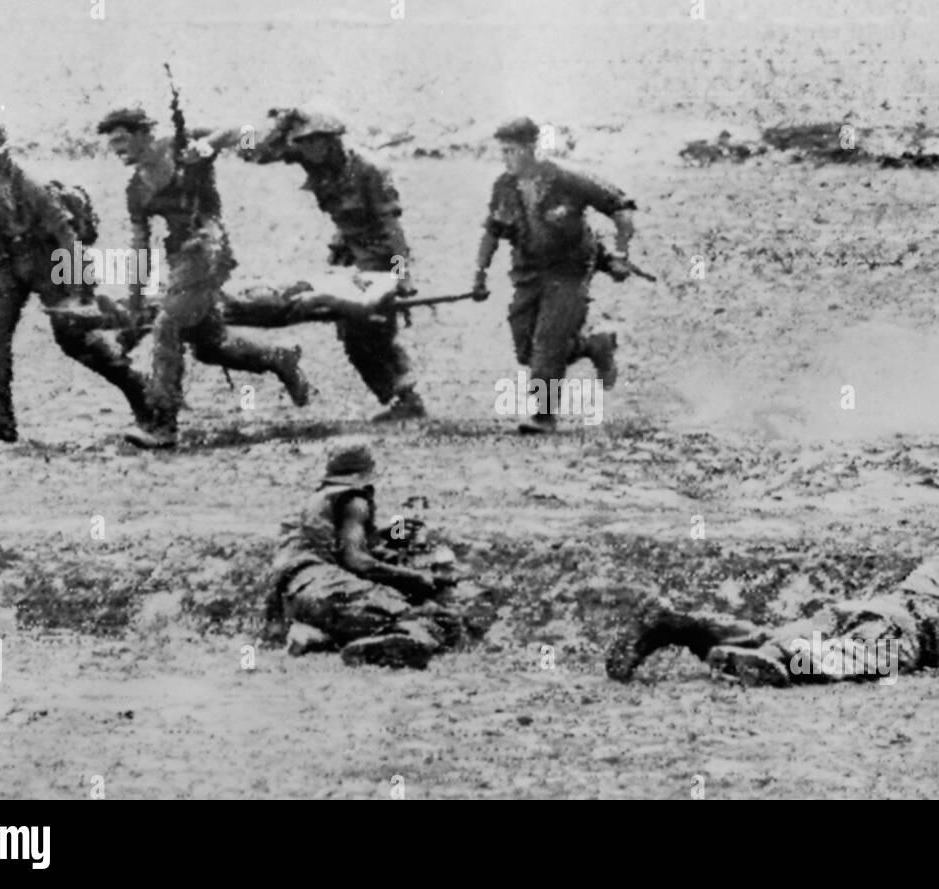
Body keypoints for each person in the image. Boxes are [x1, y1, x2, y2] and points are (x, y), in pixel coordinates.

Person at [606, 492, 939, 686]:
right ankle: (762, 662)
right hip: (906, 630)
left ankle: (680, 627)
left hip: (871, 609)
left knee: (777, 637)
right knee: (831, 666)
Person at [96, 106, 310, 449]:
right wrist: (135, 300)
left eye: (121, 139)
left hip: (209, 250)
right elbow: (139, 247)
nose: (116, 148)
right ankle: (279, 358)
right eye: (111, 143)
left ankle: (163, 423)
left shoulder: (179, 145)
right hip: (180, 256)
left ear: (143, 134)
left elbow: (244, 131)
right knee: (210, 346)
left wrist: (209, 145)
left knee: (167, 325)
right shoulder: (136, 189)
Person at [213, 107, 426, 422]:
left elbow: (392, 229)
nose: (310, 147)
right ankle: (400, 397)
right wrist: (273, 126)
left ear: (332, 140)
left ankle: (406, 397)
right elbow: (253, 152)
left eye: (317, 141)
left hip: (380, 253)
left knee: (367, 329)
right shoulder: (307, 157)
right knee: (353, 333)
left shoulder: (369, 170)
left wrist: (400, 275)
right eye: (304, 141)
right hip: (348, 251)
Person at [0, 124, 151, 443]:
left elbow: (66, 236)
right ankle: (0, 412)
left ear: (4, 154)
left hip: (49, 260)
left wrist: (82, 290)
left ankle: (141, 392)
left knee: (74, 339)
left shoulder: (33, 186)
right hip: (8, 262)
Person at [264, 443, 498, 667]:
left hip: (295, 599)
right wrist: (415, 579)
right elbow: (357, 561)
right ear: (368, 470)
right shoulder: (355, 501)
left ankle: (316, 638)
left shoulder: (317, 502)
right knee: (433, 618)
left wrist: (390, 535)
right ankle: (387, 647)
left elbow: (348, 542)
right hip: (326, 589)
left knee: (355, 615)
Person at [470, 116, 636, 433]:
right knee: (527, 351)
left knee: (548, 342)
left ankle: (543, 416)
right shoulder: (504, 186)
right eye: (502, 151)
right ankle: (593, 345)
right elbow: (492, 232)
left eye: (512, 151)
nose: (506, 158)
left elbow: (622, 209)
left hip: (570, 271)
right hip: (528, 273)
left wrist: (620, 254)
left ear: (532, 148)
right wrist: (479, 274)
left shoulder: (567, 180)